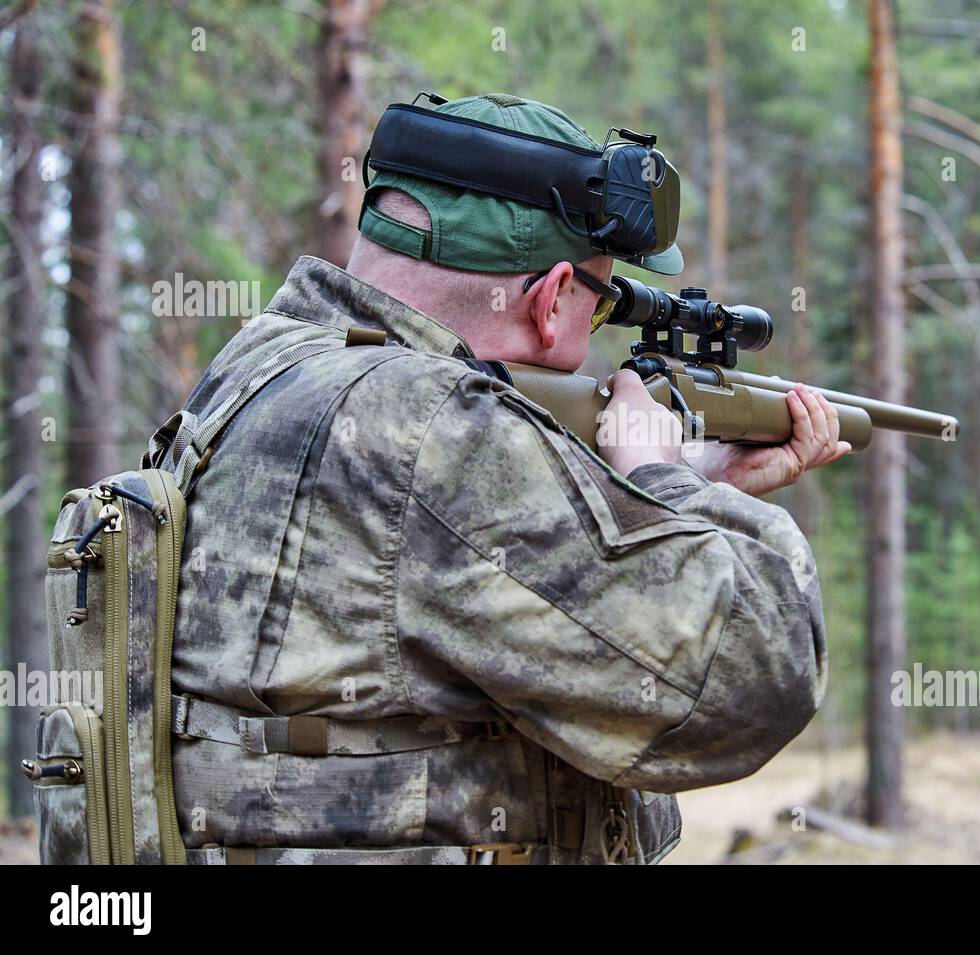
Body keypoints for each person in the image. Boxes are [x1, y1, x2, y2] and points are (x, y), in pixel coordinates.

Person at [167, 92, 847, 865]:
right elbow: (757, 670)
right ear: (553, 297)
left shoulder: (256, 375)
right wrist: (665, 478)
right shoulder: (431, 425)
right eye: (596, 308)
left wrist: (654, 491)